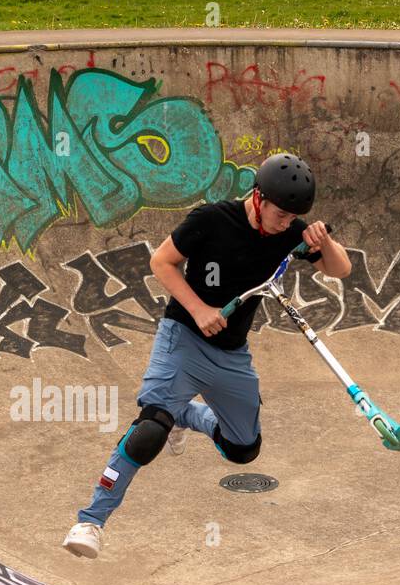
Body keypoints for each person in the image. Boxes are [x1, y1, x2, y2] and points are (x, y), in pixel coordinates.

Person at [63, 153, 352, 559]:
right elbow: (161, 261)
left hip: (232, 355)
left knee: (243, 449)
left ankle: (187, 415)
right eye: (282, 214)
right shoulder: (211, 219)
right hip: (183, 339)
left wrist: (324, 241)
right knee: (150, 430)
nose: (287, 222)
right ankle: (90, 521)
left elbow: (340, 270)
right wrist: (198, 309)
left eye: (294, 217)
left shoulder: (291, 232)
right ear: (259, 198)